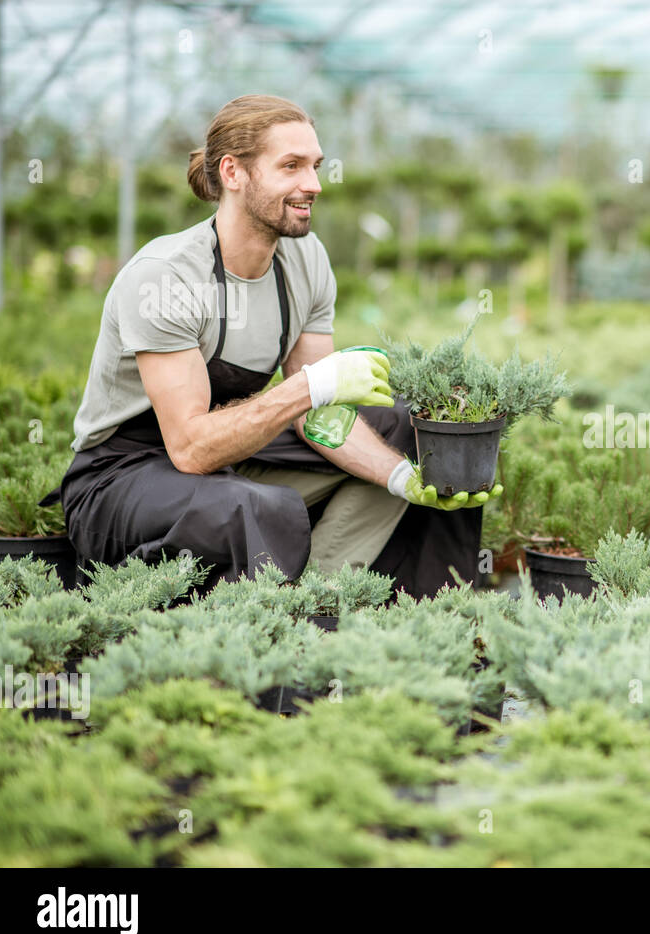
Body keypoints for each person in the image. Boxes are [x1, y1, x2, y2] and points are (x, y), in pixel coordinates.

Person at [41, 95, 497, 597]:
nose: (315, 184)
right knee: (253, 508)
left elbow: (318, 416)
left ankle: (338, 607)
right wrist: (310, 386)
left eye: (316, 166)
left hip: (231, 450)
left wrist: (400, 478)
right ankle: (270, 641)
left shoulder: (306, 259)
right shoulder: (166, 277)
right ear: (233, 173)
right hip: (123, 475)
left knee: (415, 435)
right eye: (292, 166)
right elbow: (190, 448)